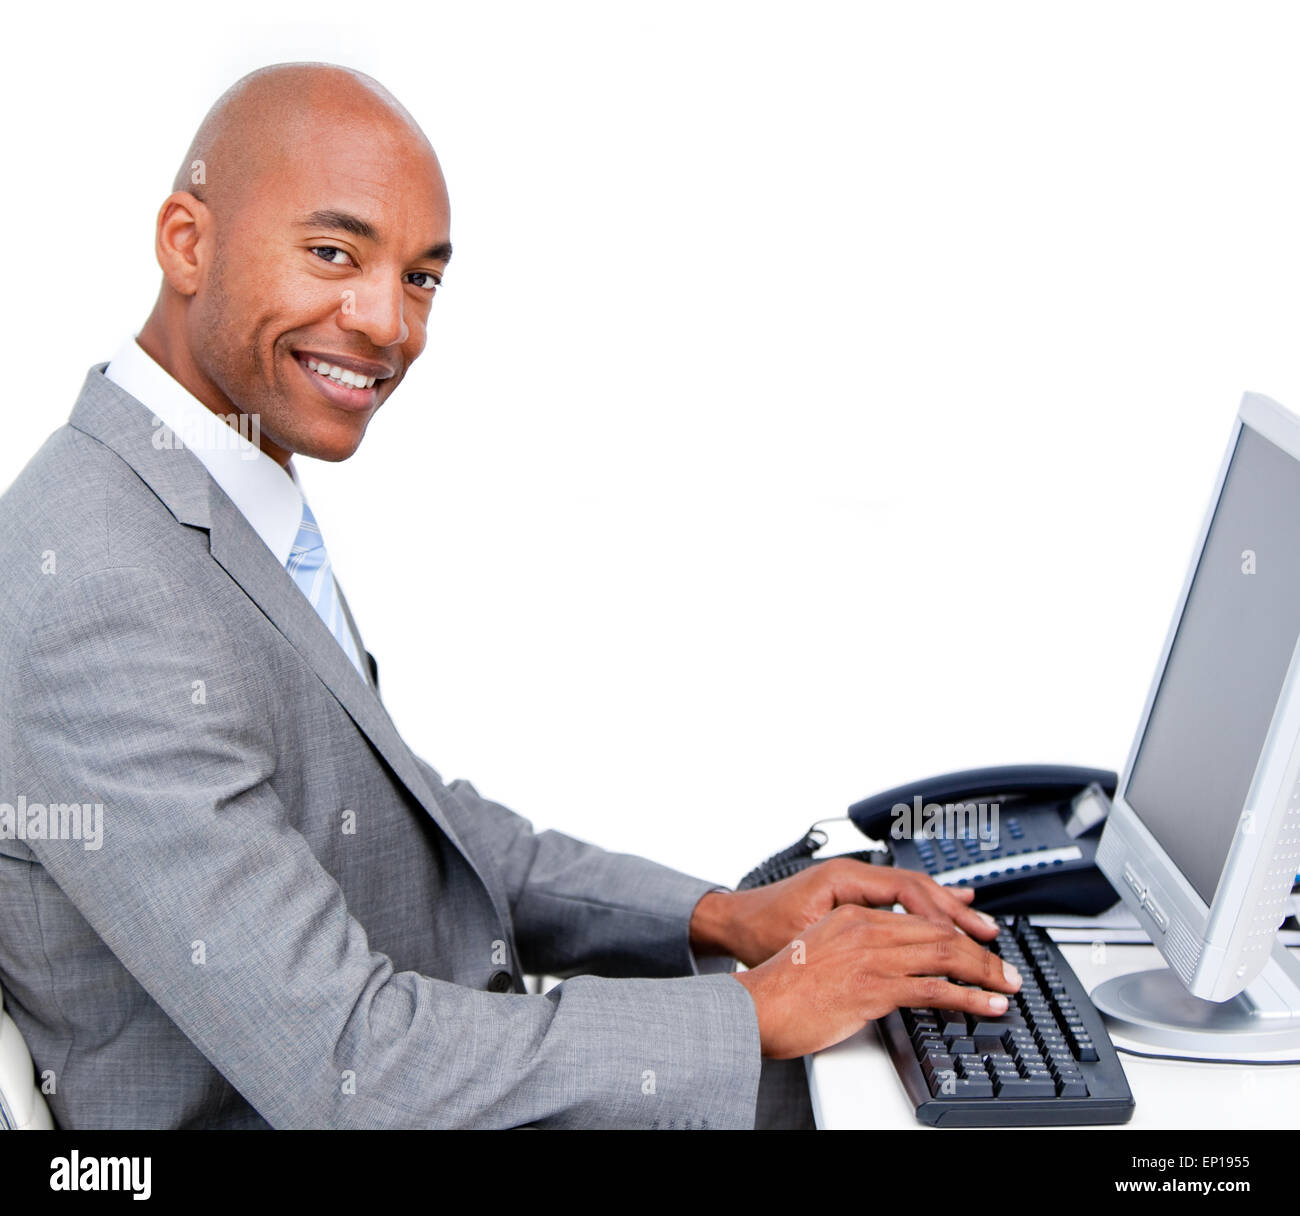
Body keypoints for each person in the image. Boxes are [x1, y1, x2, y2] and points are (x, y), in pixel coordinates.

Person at [0, 62, 1019, 1129]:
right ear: (186, 242)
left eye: (420, 278)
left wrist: (723, 918)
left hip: (444, 1067)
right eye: (334, 253)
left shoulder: (213, 489)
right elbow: (349, 1064)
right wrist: (754, 1011)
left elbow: (405, 825)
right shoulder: (101, 583)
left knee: (895, 1073)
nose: (387, 323)